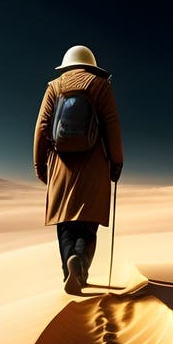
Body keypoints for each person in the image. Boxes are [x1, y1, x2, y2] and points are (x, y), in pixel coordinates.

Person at [33, 45, 123, 292]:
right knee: (88, 223)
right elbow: (112, 126)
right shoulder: (101, 85)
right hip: (94, 166)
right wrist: (116, 163)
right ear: (91, 65)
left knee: (65, 224)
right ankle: (80, 263)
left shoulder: (54, 87)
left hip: (60, 166)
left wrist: (40, 165)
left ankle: (69, 270)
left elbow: (42, 128)